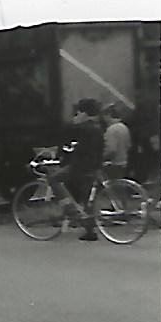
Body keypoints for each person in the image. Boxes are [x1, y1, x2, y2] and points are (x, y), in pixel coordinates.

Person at [48, 97, 104, 242]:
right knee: (87, 199)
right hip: (93, 166)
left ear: (84, 113)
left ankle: (70, 210)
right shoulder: (98, 128)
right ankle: (90, 230)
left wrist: (74, 123)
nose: (76, 115)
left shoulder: (84, 128)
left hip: (80, 166)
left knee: (54, 179)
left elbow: (71, 136)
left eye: (78, 113)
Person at [101, 103, 132, 179]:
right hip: (125, 163)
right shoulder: (124, 127)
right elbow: (129, 145)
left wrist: (101, 158)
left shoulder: (111, 130)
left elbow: (111, 150)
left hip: (115, 165)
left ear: (108, 115)